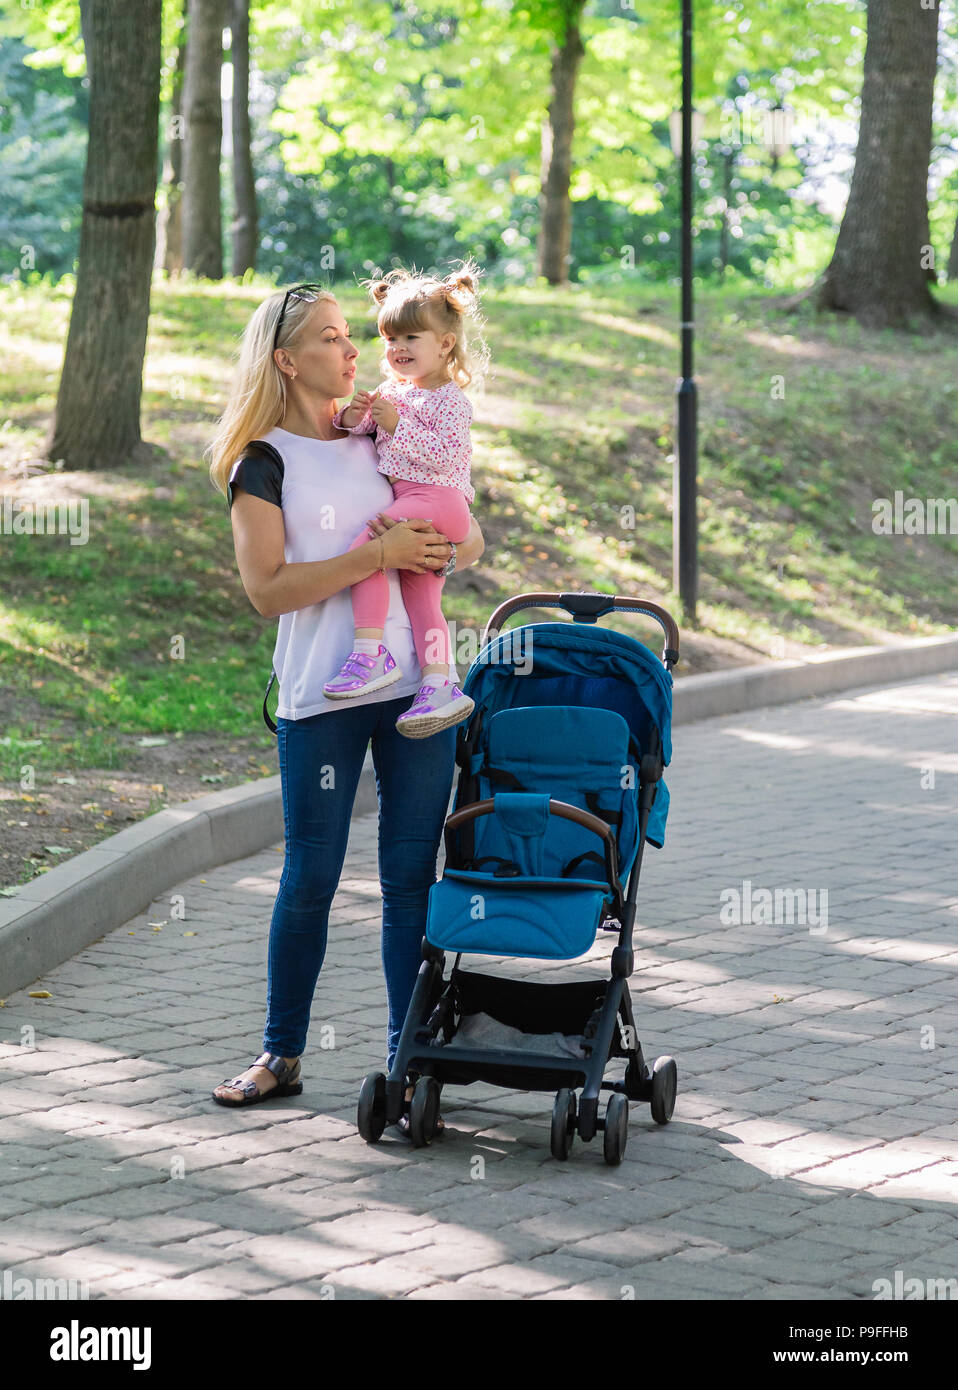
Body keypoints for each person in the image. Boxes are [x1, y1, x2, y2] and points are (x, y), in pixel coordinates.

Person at [205, 284, 484, 1110]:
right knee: (311, 878)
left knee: (410, 880)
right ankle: (280, 1053)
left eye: (350, 334)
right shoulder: (262, 462)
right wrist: (378, 555)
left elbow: (466, 532)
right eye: (332, 338)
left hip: (414, 696)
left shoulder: (382, 431)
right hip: (320, 696)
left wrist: (441, 547)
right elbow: (267, 591)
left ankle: (408, 1062)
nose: (353, 349)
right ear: (288, 360)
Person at [323, 261, 487, 739]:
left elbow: (445, 456)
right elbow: (367, 431)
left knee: (367, 548)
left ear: (445, 344)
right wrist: (354, 418)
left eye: (411, 339)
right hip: (420, 500)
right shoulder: (396, 393)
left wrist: (397, 423)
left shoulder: (450, 400)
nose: (398, 349)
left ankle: (370, 653)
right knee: (421, 598)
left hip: (440, 500)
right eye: (390, 339)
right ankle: (440, 684)